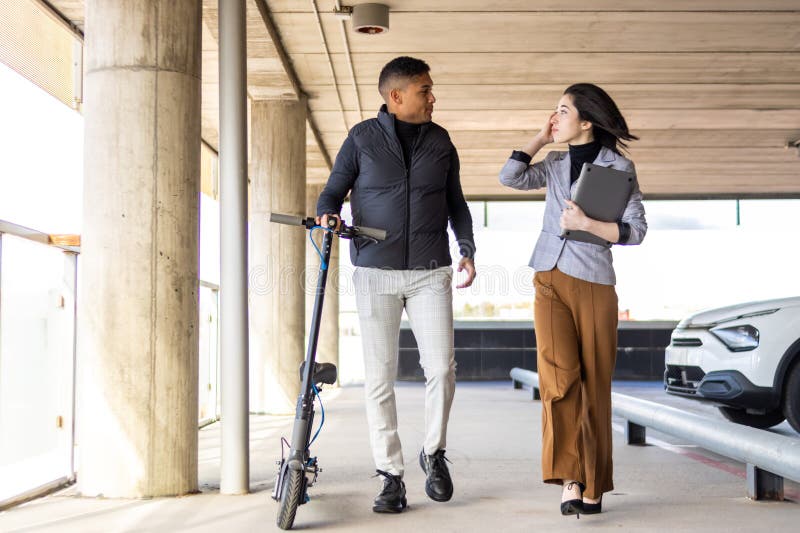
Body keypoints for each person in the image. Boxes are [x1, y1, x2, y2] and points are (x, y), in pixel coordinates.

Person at [316, 56, 476, 514]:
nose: (432, 97)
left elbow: (457, 203)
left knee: (441, 369)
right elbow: (332, 190)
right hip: (375, 271)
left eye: (431, 89)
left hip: (430, 270)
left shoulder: (441, 141)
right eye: (425, 89)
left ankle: (433, 452)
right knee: (379, 379)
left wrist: (466, 246)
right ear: (396, 96)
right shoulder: (362, 138)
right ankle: (391, 476)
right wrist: (329, 213)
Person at [497, 83, 647, 517]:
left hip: (593, 282)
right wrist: (539, 138)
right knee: (558, 382)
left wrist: (587, 222)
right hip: (548, 277)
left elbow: (635, 230)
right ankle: (570, 478)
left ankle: (595, 482)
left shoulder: (618, 166)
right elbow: (510, 177)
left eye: (562, 112)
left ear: (586, 121)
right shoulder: (555, 161)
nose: (554, 117)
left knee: (594, 385)